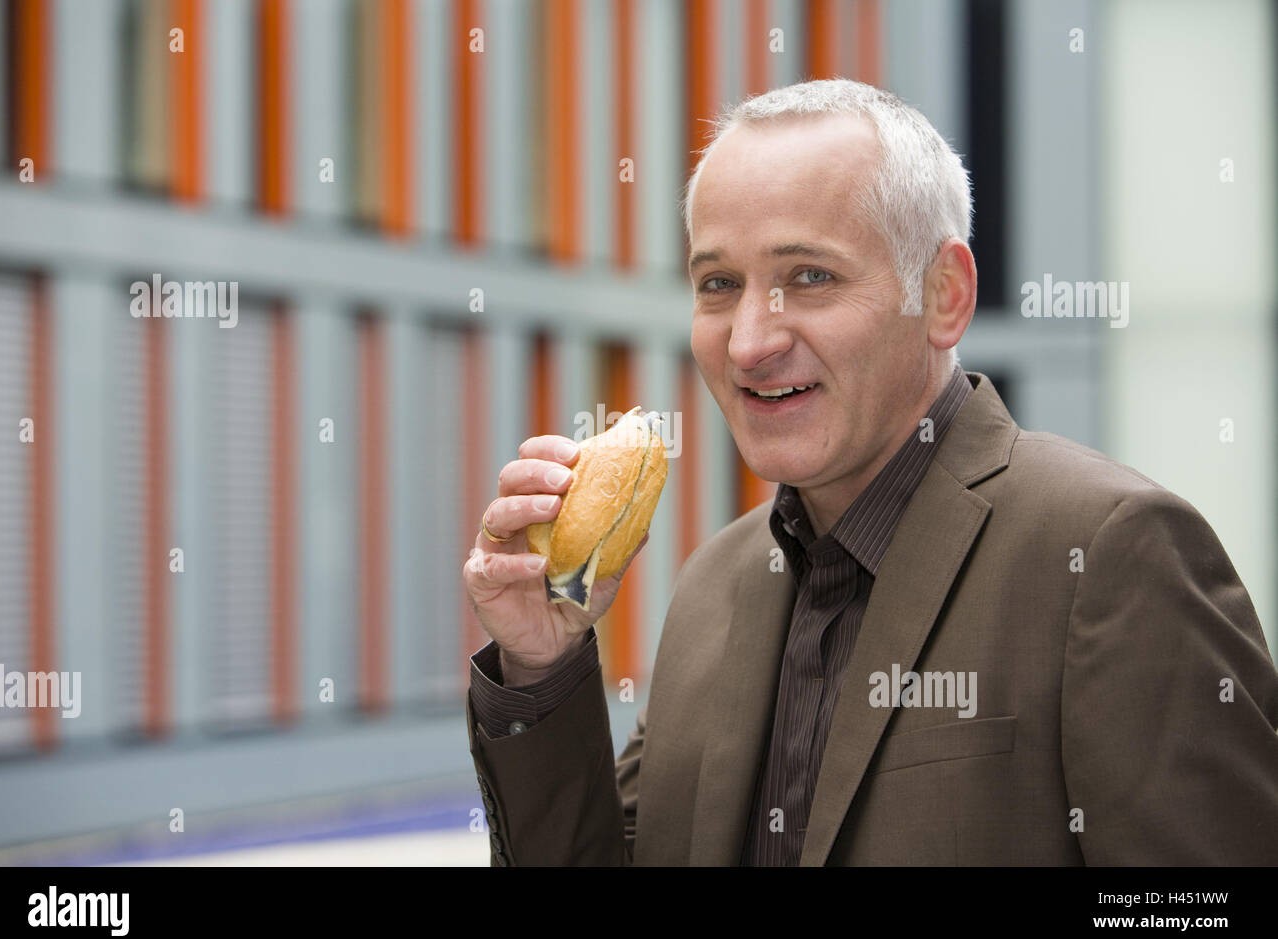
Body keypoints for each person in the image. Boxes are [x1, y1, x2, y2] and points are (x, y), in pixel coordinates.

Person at [460, 78, 1278, 866]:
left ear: (945, 294)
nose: (749, 341)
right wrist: (542, 666)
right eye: (719, 284)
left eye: (808, 277)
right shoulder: (714, 584)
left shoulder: (1110, 552)